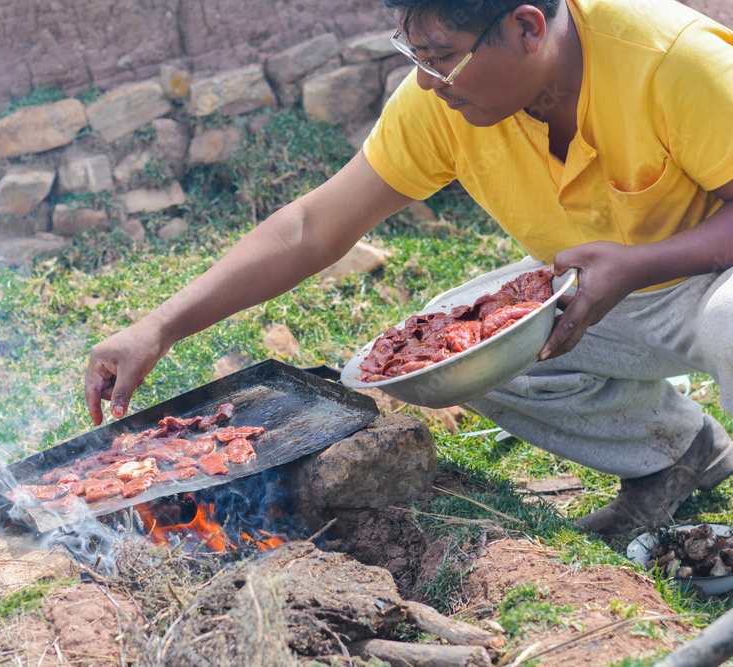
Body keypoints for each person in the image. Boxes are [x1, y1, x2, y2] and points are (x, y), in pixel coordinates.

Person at [86, 0, 733, 534]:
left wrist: (639, 263)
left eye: (442, 57)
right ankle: (674, 454)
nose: (426, 81)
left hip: (710, 282)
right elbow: (313, 227)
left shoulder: (673, 63)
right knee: (433, 359)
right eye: (413, 55)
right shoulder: (441, 103)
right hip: (597, 296)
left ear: (528, 27)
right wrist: (159, 326)